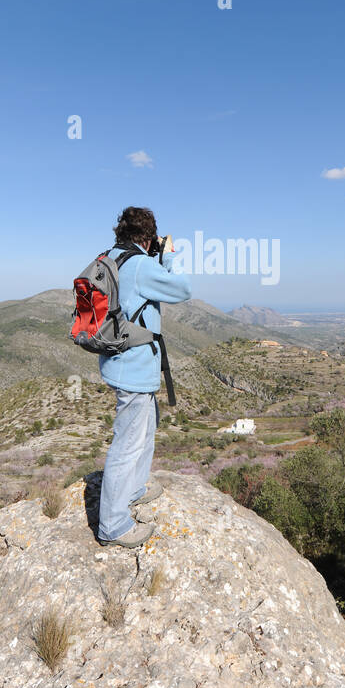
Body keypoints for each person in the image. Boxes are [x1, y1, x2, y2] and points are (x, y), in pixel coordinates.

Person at [96, 207, 192, 547]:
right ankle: (113, 524)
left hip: (120, 362)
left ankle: (135, 489)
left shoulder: (112, 257)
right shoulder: (140, 265)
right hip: (133, 367)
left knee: (146, 426)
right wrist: (170, 257)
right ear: (148, 237)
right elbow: (182, 289)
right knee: (127, 443)